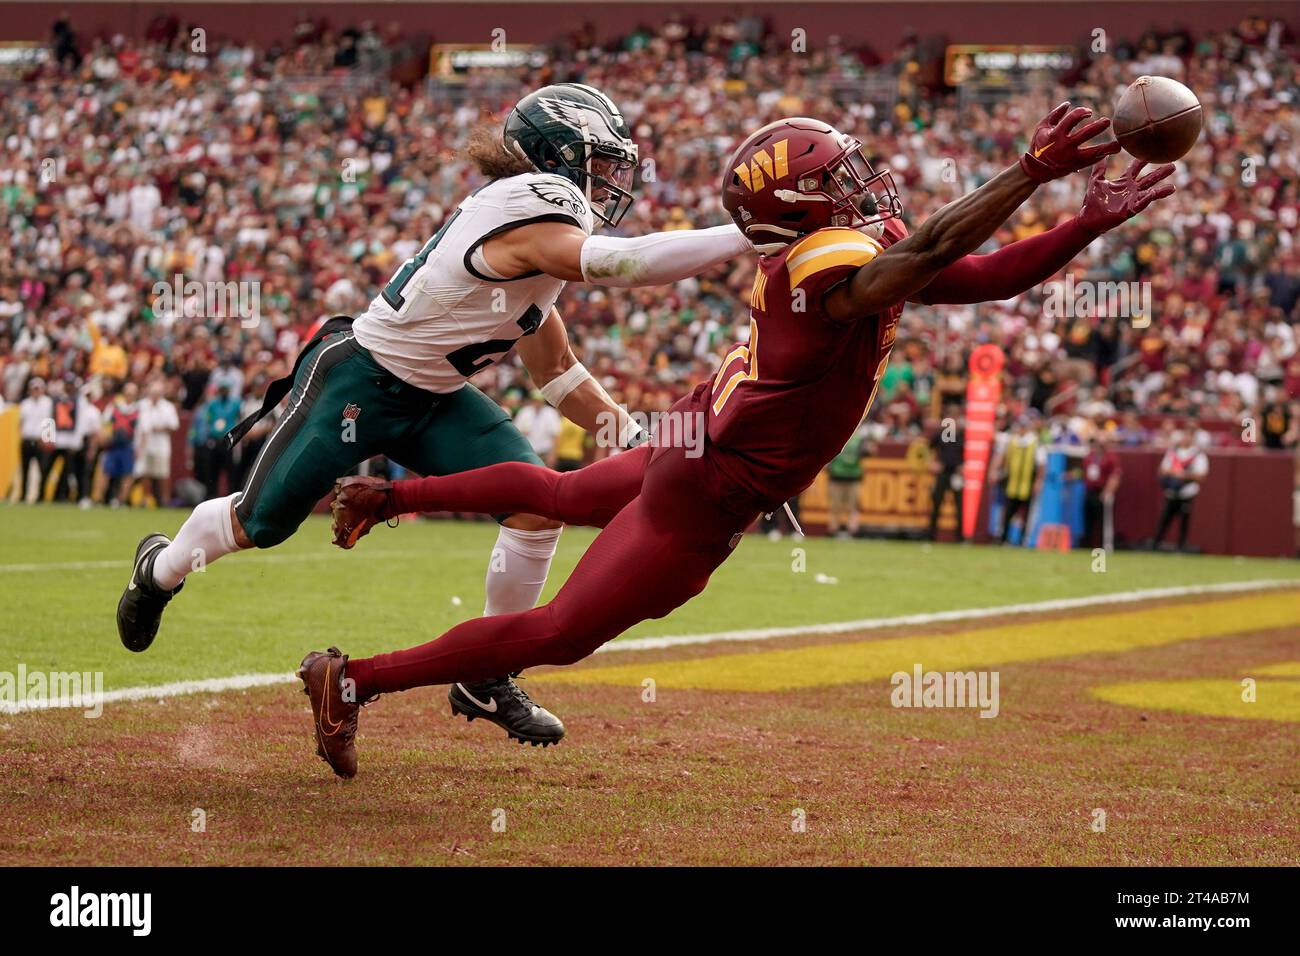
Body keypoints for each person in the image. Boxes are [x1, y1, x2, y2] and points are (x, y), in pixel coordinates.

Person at [300, 104, 1177, 778]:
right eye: (841, 175)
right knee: (560, 632)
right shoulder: (821, 269)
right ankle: (354, 679)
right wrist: (1031, 172)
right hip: (712, 480)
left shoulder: (834, 248)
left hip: (702, 431)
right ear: (801, 204)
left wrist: (1085, 225)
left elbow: (978, 273)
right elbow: (942, 249)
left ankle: (393, 495)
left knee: (567, 496)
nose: (863, 183)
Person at [116, 82, 753, 748]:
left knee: (537, 507)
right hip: (360, 384)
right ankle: (159, 569)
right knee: (262, 522)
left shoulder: (541, 234)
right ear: (552, 157)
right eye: (597, 160)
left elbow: (557, 373)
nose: (610, 178)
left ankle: (487, 674)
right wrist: (748, 234)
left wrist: (636, 440)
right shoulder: (532, 208)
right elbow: (627, 262)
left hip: (437, 400)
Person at [1151, 431, 1207, 551]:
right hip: (1171, 492)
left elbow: (1201, 475)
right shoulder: (1173, 452)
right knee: (1164, 520)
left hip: (1187, 493)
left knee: (1184, 521)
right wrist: (1174, 473)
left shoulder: (1197, 454)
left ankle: (1181, 546)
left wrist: (1184, 475)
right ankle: (1156, 544)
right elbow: (1162, 470)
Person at [131, 378, 180, 507]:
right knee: (145, 474)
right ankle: (146, 500)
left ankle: (164, 500)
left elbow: (174, 425)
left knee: (162, 475)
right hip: (145, 446)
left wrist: (159, 428)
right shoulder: (141, 405)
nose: (154, 396)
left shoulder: (167, 407)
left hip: (161, 446)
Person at [927, 408, 965, 541]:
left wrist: (963, 465)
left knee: (959, 505)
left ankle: (960, 536)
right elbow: (927, 447)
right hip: (943, 473)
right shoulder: (941, 434)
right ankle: (931, 534)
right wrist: (932, 463)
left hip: (955, 473)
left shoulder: (961, 435)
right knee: (937, 502)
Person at [826, 427, 869, 538]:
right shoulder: (838, 434)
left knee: (852, 505)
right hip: (837, 475)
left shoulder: (860, 438)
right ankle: (834, 529)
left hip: (852, 476)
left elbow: (868, 451)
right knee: (836, 506)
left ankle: (851, 530)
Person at [1081, 432, 1121, 550]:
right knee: (1088, 519)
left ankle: (1104, 545)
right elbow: (1084, 472)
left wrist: (1108, 491)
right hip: (1090, 491)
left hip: (1102, 491)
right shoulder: (1090, 456)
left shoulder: (1111, 457)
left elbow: (1115, 476)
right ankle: (1087, 545)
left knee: (1103, 520)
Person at [17, 377, 53, 503]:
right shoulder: (25, 404)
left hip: (41, 440)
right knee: (25, 469)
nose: (36, 391)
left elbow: (49, 421)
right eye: (34, 389)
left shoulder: (48, 403)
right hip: (27, 440)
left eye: (38, 389)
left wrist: (47, 439)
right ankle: (23, 495)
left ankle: (41, 496)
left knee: (43, 468)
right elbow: (20, 423)